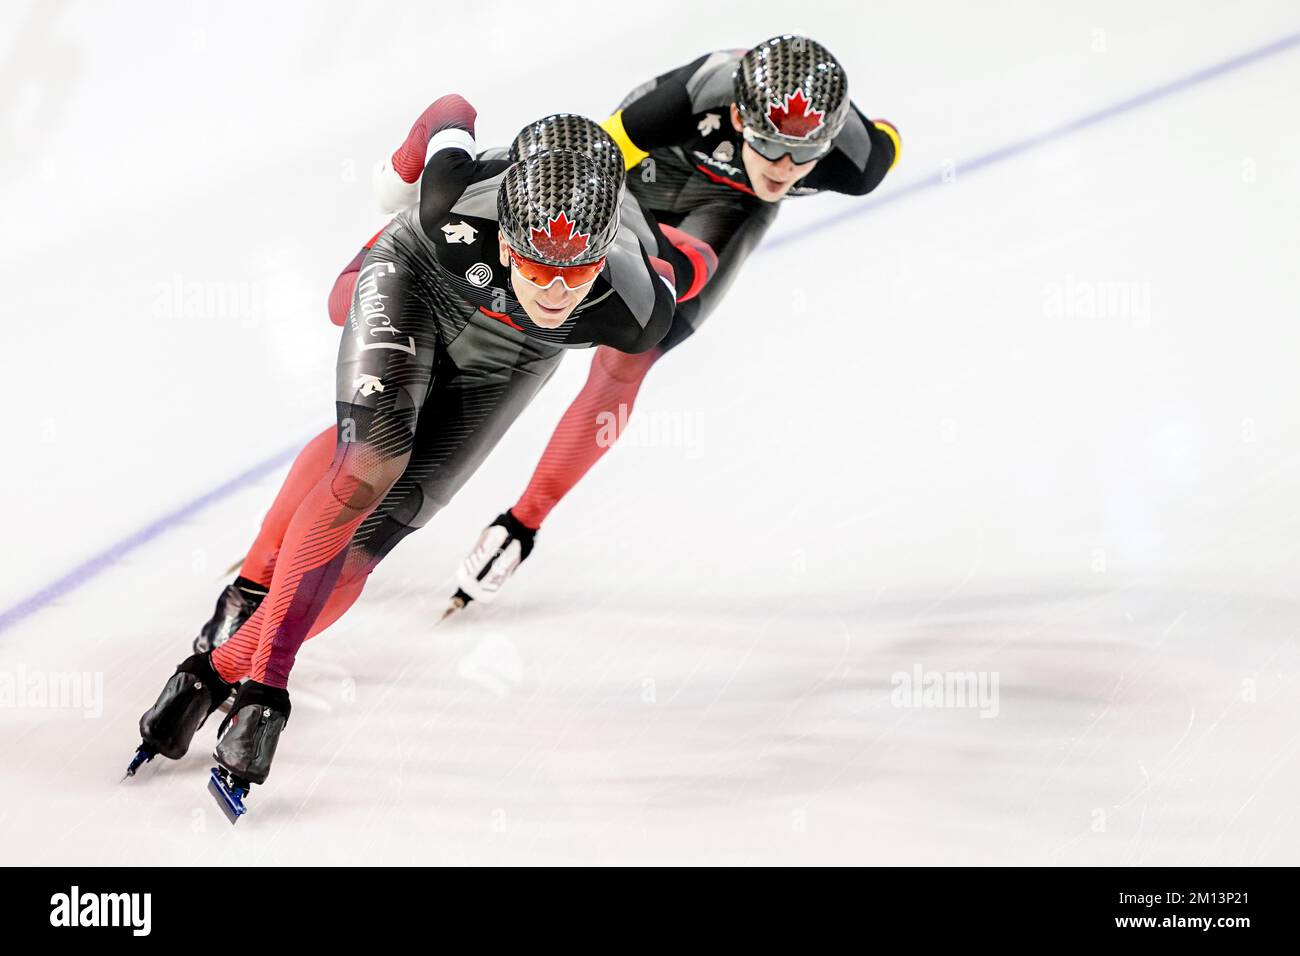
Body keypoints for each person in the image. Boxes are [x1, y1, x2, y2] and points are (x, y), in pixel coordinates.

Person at [129, 98, 710, 811]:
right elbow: (450, 110)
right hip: (418, 278)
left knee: (371, 540)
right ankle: (255, 612)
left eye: (576, 275)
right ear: (503, 240)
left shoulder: (635, 303)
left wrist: (678, 253)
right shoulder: (453, 204)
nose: (556, 291)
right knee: (371, 459)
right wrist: (396, 174)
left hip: (510, 357)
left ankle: (207, 672)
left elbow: (694, 264)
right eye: (536, 267)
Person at [450, 35, 901, 610]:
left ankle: (521, 524)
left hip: (726, 208)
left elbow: (888, 136)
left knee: (635, 347)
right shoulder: (684, 102)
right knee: (529, 304)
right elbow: (582, 164)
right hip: (638, 176)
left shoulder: (857, 165)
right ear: (739, 116)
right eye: (768, 144)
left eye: (805, 153)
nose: (785, 168)